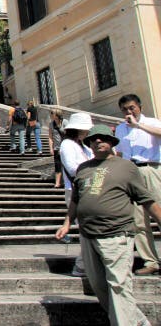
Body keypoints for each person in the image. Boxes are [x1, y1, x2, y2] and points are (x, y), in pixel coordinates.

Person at [56, 124, 161, 326]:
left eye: (103, 138)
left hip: (116, 234)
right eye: (93, 139)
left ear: (112, 142)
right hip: (88, 235)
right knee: (98, 285)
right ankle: (137, 321)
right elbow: (76, 200)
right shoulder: (83, 169)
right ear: (88, 144)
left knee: (118, 285)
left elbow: (146, 199)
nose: (98, 141)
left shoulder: (126, 167)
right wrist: (67, 223)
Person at [114, 93, 161, 276]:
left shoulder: (153, 122)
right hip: (130, 173)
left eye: (132, 107)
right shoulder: (120, 129)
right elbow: (118, 153)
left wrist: (138, 125)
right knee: (139, 220)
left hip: (152, 169)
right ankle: (151, 261)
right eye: (125, 109)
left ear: (139, 106)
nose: (128, 111)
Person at [59, 112, 93, 274]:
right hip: (75, 190)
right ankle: (81, 265)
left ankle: (84, 264)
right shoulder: (67, 144)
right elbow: (72, 168)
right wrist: (92, 168)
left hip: (90, 189)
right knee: (85, 228)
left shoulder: (84, 146)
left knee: (88, 228)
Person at [48, 109, 67, 188]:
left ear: (57, 114)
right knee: (57, 165)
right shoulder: (51, 124)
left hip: (66, 147)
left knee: (67, 165)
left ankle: (67, 181)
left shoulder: (65, 122)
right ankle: (57, 182)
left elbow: (70, 134)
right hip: (57, 148)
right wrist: (51, 148)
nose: (51, 114)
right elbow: (50, 137)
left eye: (52, 113)